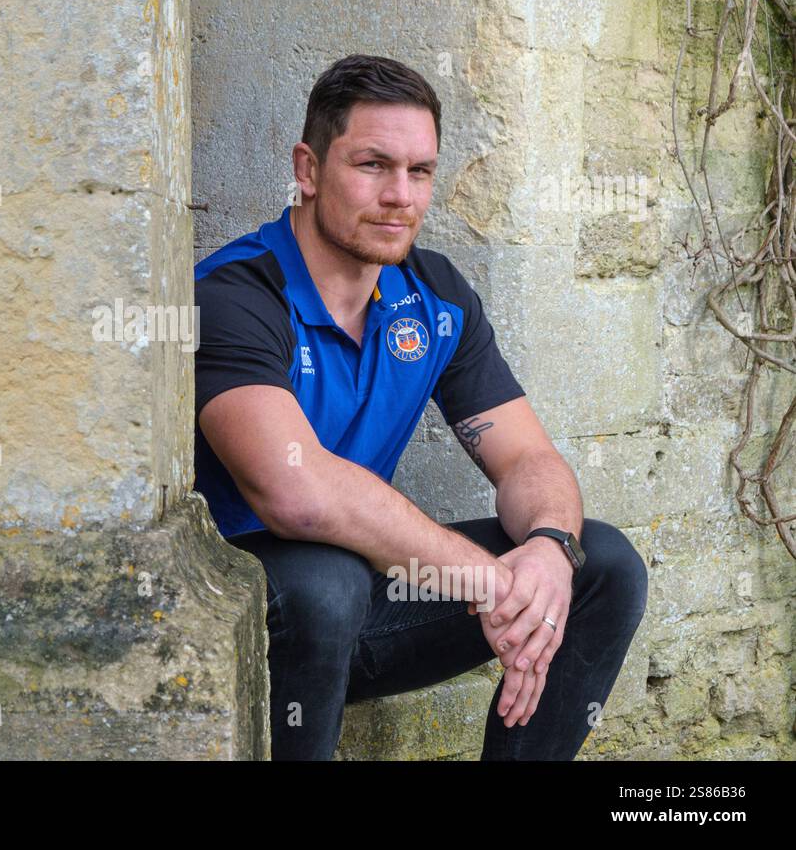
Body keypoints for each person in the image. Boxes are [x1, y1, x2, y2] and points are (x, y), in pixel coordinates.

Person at [193, 54, 648, 760]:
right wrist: (487, 581)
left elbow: (526, 457)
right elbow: (296, 492)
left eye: (420, 171)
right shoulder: (235, 295)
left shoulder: (432, 296)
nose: (400, 195)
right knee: (325, 580)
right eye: (372, 165)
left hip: (364, 606)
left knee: (603, 562)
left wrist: (550, 552)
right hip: (244, 616)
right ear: (308, 170)